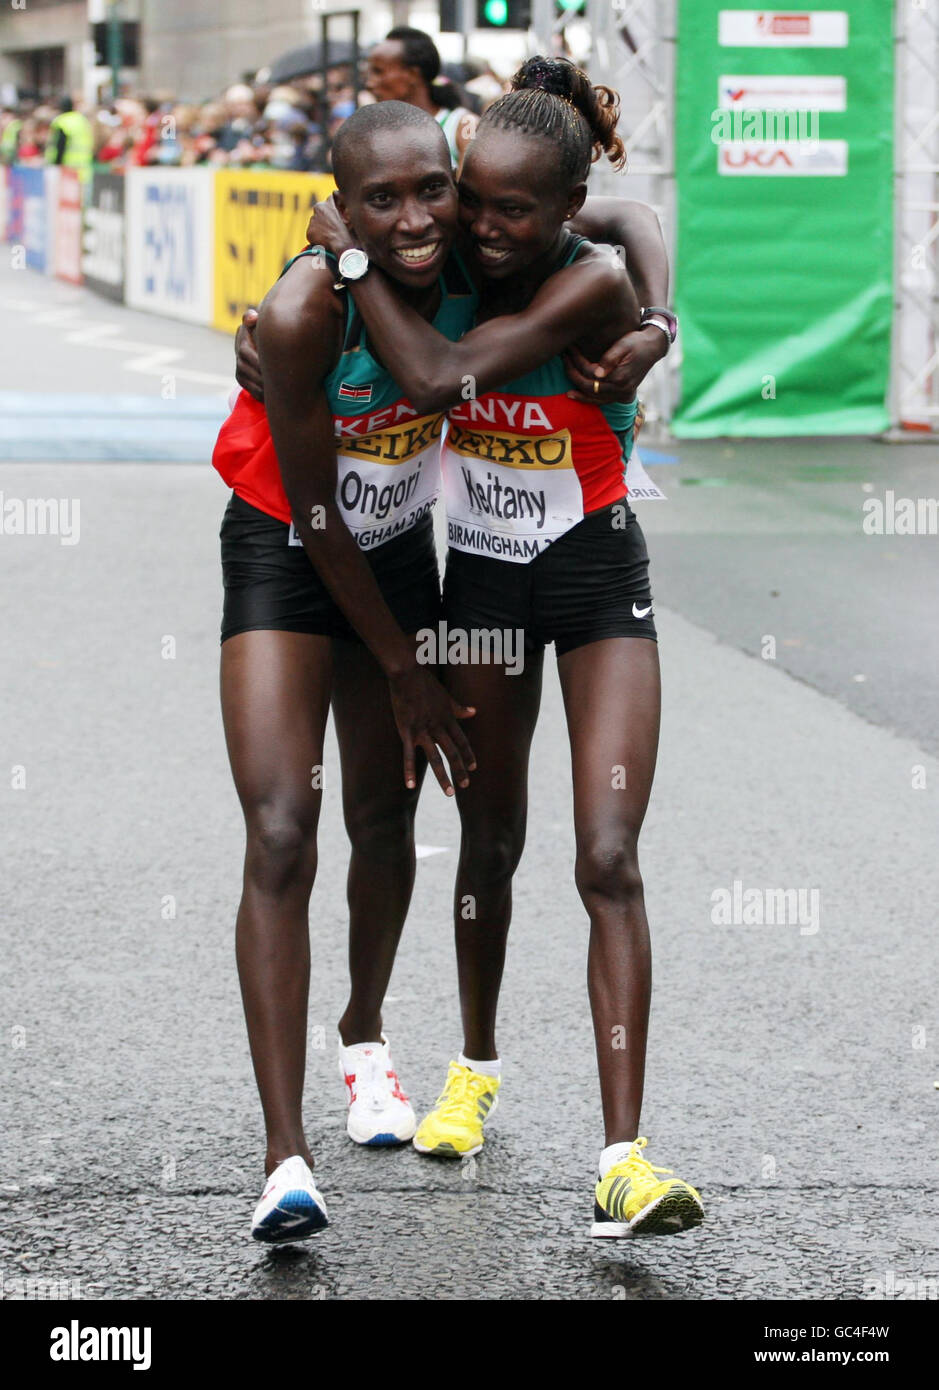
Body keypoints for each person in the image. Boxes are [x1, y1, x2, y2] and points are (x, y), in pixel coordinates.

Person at [305, 56, 701, 1238]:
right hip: (477, 589)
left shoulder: (589, 285)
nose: (473, 224)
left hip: (594, 582)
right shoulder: (447, 261)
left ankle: (623, 1156)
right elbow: (358, 276)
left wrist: (657, 321)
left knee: (607, 854)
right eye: (468, 198)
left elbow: (442, 372)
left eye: (505, 209)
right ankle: (473, 1064)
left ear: (561, 214)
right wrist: (312, 273)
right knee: (488, 839)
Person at [212, 100, 481, 1244]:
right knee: (282, 828)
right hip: (286, 541)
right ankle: (285, 1158)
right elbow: (319, 512)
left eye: (434, 189)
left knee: (383, 814)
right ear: (340, 206)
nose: (417, 218)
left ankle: (363, 1039)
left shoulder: (477, 256)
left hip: (398, 553)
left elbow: (614, 211)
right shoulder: (298, 308)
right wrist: (404, 667)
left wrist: (653, 320)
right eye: (384, 200)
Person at [366, 27, 477, 171]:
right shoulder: (374, 131)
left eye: (379, 72)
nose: (370, 83)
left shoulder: (464, 125)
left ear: (412, 74)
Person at [44, 94, 93, 184]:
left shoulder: (61, 121)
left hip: (66, 169)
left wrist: (56, 165)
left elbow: (60, 144)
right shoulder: (82, 119)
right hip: (83, 168)